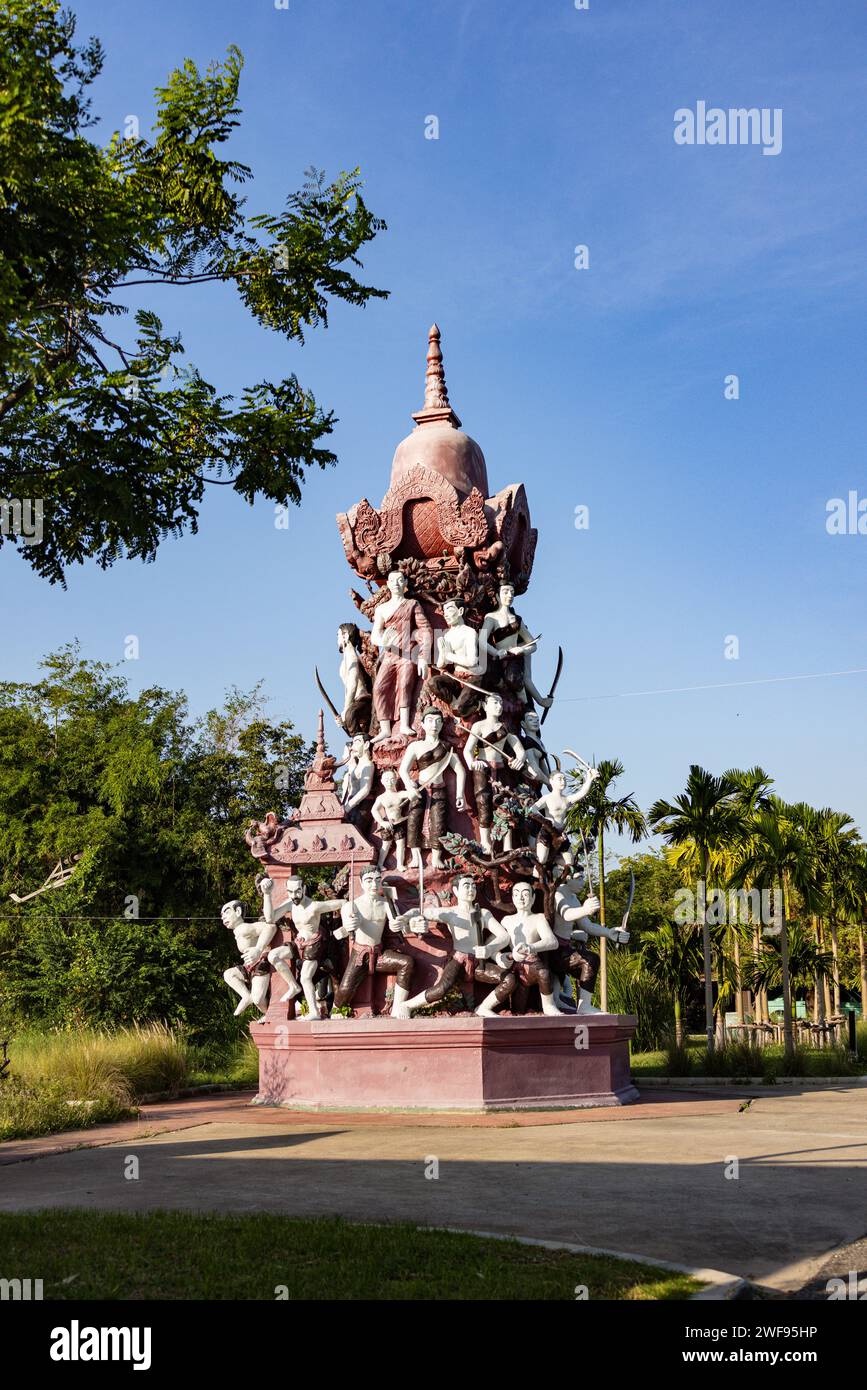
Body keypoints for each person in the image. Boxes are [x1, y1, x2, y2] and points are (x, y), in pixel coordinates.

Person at [404, 873, 515, 1014]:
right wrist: (409, 919)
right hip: (458, 960)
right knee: (442, 989)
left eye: (473, 886)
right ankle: (408, 1005)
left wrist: (489, 948)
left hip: (479, 963)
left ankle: (483, 1008)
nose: (471, 889)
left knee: (509, 979)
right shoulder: (451, 913)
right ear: (455, 890)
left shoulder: (483, 913)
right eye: (466, 885)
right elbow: (419, 912)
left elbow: (504, 936)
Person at [332, 867, 421, 1018]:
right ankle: (335, 1010)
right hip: (360, 955)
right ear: (361, 882)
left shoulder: (386, 903)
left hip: (379, 954)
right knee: (345, 989)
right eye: (369, 880)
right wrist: (350, 925)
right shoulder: (352, 906)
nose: (374, 884)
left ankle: (398, 1008)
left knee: (407, 963)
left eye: (377, 880)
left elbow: (397, 922)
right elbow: (346, 925)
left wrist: (398, 924)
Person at [262, 875, 346, 1021]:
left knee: (306, 977)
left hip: (315, 944)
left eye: (297, 891)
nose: (294, 895)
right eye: (290, 892)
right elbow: (270, 918)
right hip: (299, 942)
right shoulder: (290, 904)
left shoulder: (314, 906)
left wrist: (347, 925)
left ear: (304, 889)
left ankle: (314, 1012)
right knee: (273, 956)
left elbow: (343, 902)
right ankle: (293, 986)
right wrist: (267, 894)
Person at [477, 881, 562, 1017]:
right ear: (512, 898)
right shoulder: (507, 920)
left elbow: (552, 941)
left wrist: (531, 947)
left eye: (525, 894)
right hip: (514, 967)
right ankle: (484, 1008)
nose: (521, 898)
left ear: (533, 898)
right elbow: (490, 944)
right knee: (518, 1008)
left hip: (532, 963)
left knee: (544, 973)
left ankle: (549, 1006)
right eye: (516, 894)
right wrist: (499, 957)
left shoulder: (538, 918)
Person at [398, 707, 466, 869]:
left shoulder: (446, 747)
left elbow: (460, 770)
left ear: (442, 724)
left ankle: (436, 857)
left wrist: (460, 795)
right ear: (422, 724)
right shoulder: (416, 746)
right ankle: (416, 857)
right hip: (419, 789)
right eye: (429, 721)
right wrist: (409, 785)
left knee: (439, 822)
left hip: (439, 788)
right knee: (414, 821)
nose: (434, 725)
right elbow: (403, 770)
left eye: (438, 721)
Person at [370, 570, 431, 742]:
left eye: (399, 580)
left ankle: (404, 723)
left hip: (408, 653)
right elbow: (375, 635)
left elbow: (425, 629)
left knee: (405, 685)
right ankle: (384, 728)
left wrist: (423, 657)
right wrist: (383, 639)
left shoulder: (412, 604)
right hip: (390, 654)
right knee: (379, 687)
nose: (396, 584)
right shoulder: (381, 609)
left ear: (405, 583)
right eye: (392, 581)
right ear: (387, 584)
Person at [462, 692, 525, 853]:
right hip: (483, 770)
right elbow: (468, 750)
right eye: (495, 703)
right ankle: (486, 843)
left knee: (506, 806)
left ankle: (507, 844)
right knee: (484, 803)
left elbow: (519, 749)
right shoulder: (479, 726)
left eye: (501, 703)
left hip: (501, 769)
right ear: (485, 706)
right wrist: (472, 763)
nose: (499, 707)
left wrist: (520, 759)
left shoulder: (505, 727)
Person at [479, 580, 552, 711]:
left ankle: (526, 707)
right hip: (499, 658)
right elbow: (481, 641)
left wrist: (522, 650)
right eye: (505, 592)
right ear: (497, 595)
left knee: (514, 679)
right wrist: (496, 653)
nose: (509, 596)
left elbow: (533, 645)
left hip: (514, 659)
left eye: (512, 593)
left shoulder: (517, 620)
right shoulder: (491, 617)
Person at [221, 897, 283, 1017]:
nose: (223, 917)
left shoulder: (245, 928)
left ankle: (269, 1015)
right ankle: (246, 996)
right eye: (222, 914)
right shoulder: (238, 931)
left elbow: (270, 927)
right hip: (248, 965)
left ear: (238, 912)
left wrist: (258, 949)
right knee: (229, 974)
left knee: (258, 1000)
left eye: (227, 912)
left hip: (260, 963)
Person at [425, 598, 484, 717]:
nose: (446, 614)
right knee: (433, 682)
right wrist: (442, 652)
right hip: (456, 677)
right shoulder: (447, 635)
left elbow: (472, 661)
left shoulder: (469, 632)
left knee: (460, 709)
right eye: (444, 611)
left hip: (472, 677)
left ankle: (476, 705)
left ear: (460, 611)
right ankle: (454, 704)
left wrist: (449, 655)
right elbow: (442, 664)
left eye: (450, 609)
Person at [530, 764, 598, 866]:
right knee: (541, 860)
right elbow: (533, 809)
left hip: (560, 832)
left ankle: (554, 860)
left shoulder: (567, 799)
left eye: (564, 779)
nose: (563, 781)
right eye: (559, 779)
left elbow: (582, 793)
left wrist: (590, 778)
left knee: (570, 862)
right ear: (551, 781)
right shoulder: (547, 798)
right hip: (547, 832)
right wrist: (545, 820)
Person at [370, 769, 415, 871]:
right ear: (382, 781)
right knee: (385, 845)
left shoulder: (400, 794)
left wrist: (412, 791)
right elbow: (374, 810)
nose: (389, 782)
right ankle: (380, 864)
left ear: (396, 780)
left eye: (392, 779)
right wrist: (382, 822)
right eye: (386, 780)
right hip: (388, 824)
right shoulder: (381, 798)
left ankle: (400, 864)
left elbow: (410, 794)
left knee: (401, 844)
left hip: (399, 823)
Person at [336, 623, 372, 735]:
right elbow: (347, 690)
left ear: (345, 636)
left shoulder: (352, 657)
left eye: (338, 635)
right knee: (348, 718)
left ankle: (359, 740)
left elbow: (352, 685)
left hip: (363, 700)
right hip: (354, 702)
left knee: (350, 715)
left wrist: (346, 710)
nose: (337, 639)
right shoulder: (344, 662)